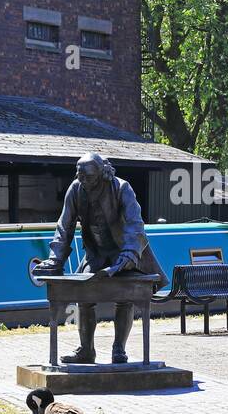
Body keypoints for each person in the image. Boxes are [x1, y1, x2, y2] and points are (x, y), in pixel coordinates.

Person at [31, 153, 167, 364]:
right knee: (84, 296)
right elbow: (64, 226)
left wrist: (129, 253)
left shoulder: (122, 188)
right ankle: (87, 350)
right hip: (95, 253)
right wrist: (55, 259)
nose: (83, 181)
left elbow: (135, 224)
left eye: (88, 178)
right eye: (80, 176)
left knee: (124, 296)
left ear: (102, 174)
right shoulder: (76, 189)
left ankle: (118, 348)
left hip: (122, 252)